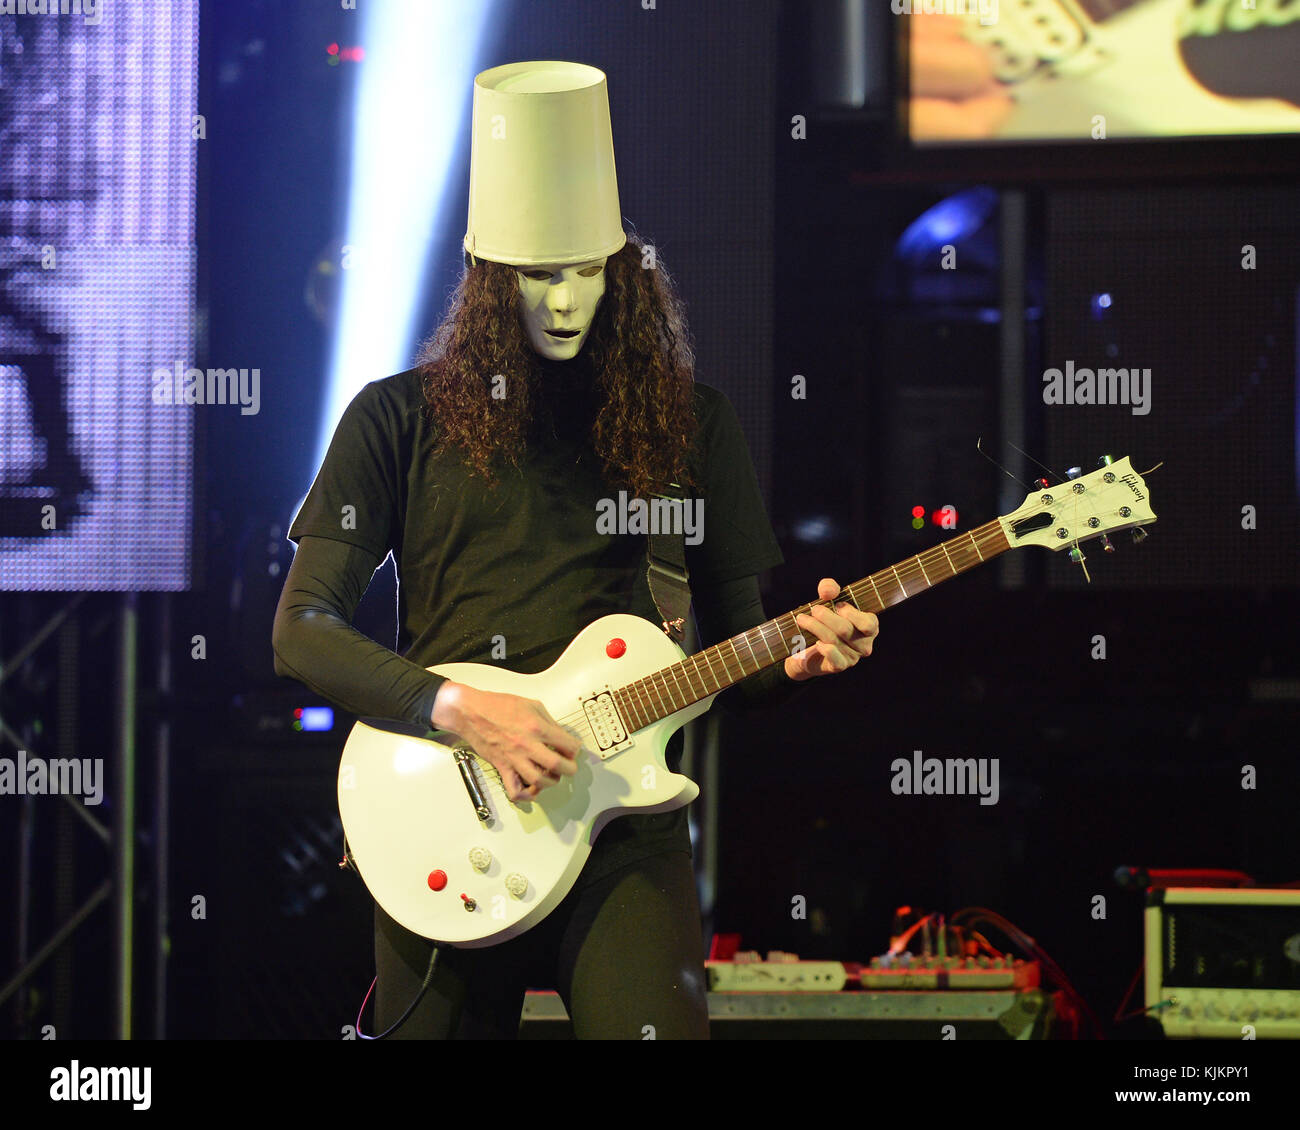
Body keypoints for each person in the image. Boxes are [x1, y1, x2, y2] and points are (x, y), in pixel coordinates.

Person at [271, 61, 879, 1040]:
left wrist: (799, 654)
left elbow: (732, 654)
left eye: (584, 271)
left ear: (624, 272)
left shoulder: (692, 427)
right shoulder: (395, 420)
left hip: (625, 834)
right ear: (485, 281)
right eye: (533, 275)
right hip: (449, 808)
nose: (561, 300)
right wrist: (468, 712)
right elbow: (302, 631)